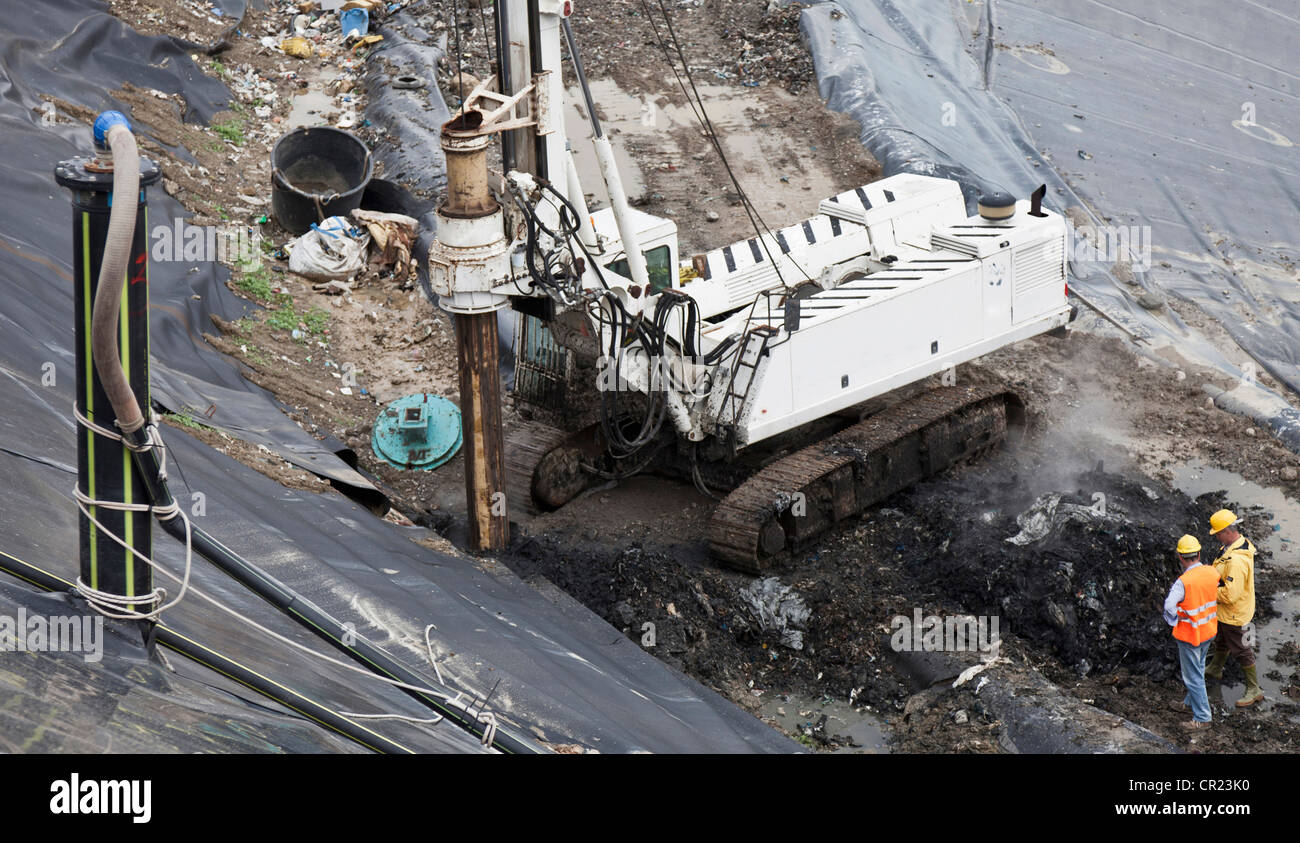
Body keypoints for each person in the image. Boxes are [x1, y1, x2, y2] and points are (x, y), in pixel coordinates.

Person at [1205, 508, 1264, 707]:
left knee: (1241, 649)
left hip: (1233, 612)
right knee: (1221, 638)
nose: (1217, 538)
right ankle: (1215, 667)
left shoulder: (1237, 560)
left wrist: (1207, 592)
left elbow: (1230, 595)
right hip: (1225, 612)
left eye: (1218, 533)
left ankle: (1254, 689)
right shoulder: (1233, 545)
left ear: (1227, 531)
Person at [1164, 535, 1218, 730]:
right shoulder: (1212, 572)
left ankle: (1202, 717)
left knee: (1192, 676)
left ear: (1180, 557)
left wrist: (1177, 617)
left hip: (1190, 636)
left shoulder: (1183, 581)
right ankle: (1189, 703)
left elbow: (1169, 606)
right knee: (1198, 669)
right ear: (1199, 553)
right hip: (1208, 631)